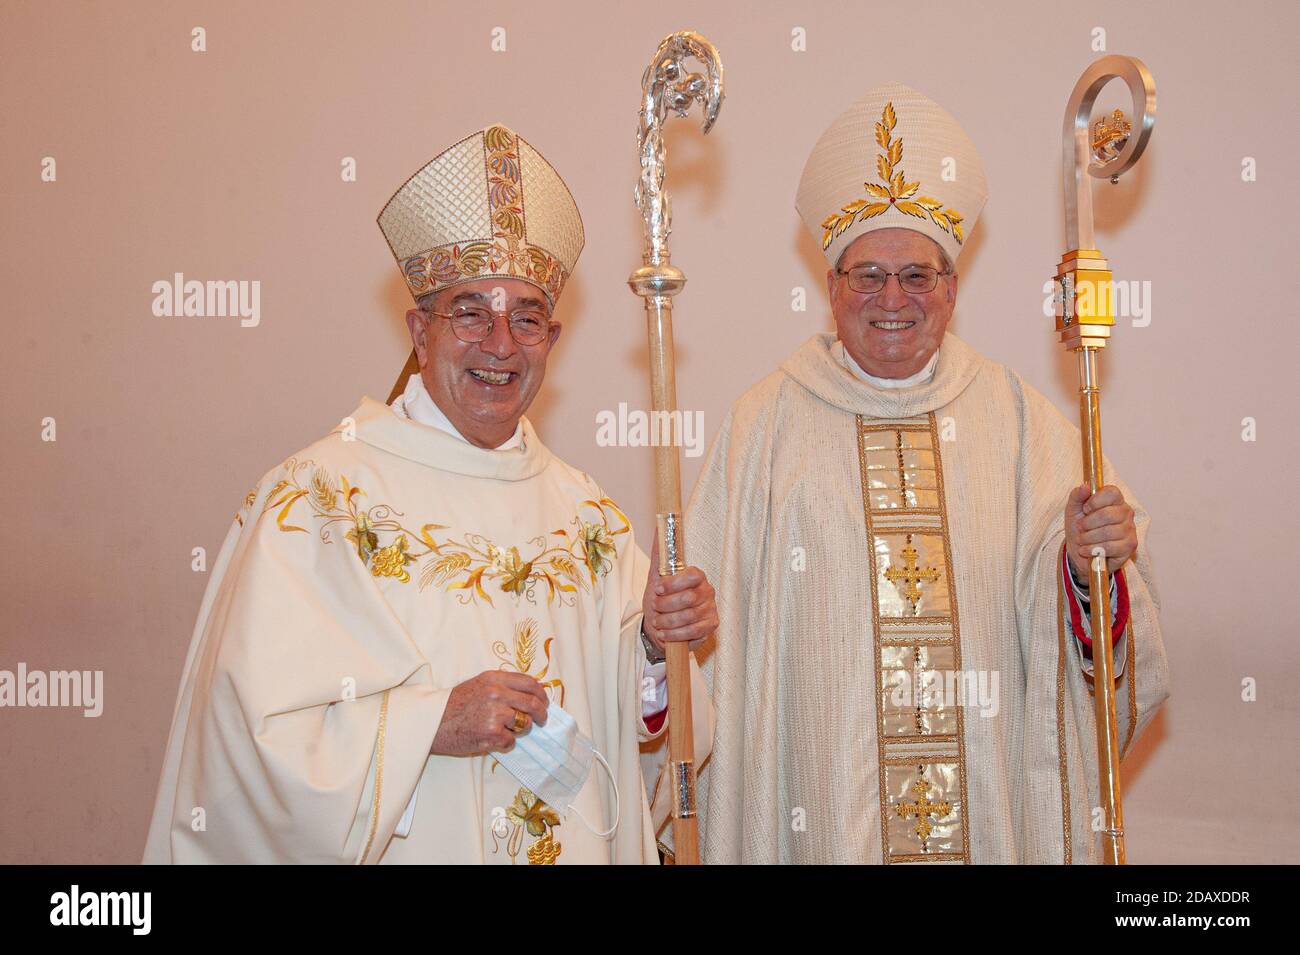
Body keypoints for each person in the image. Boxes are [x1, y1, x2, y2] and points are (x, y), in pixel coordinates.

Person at [144, 123, 716, 864]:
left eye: (527, 318)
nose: (501, 344)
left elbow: (646, 734)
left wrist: (653, 646)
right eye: (470, 312)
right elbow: (247, 742)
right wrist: (430, 724)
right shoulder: (316, 502)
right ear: (420, 333)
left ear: (552, 340)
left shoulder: (589, 520)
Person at [687, 82, 1169, 863]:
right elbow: (701, 649)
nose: (893, 299)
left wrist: (1088, 571)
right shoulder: (763, 428)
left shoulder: (1020, 422)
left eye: (917, 275)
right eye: (867, 275)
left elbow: (1094, 638)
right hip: (821, 813)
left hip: (987, 814)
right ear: (831, 287)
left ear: (952, 289)